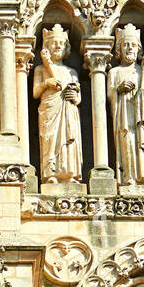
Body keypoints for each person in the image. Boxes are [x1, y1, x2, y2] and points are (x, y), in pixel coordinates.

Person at [107, 23, 144, 187]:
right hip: (124, 115)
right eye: (125, 45)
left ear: (139, 49)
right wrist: (119, 89)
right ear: (119, 49)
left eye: (133, 45)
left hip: (143, 118)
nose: (130, 48)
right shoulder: (114, 72)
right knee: (128, 141)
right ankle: (128, 176)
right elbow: (110, 94)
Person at [33, 24, 83, 183]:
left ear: (66, 47)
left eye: (61, 43)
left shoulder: (71, 72)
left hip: (68, 111)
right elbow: (35, 92)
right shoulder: (41, 69)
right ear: (46, 47)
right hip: (50, 110)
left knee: (69, 139)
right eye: (53, 43)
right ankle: (51, 174)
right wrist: (46, 83)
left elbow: (78, 97)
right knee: (51, 138)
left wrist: (74, 96)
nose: (57, 46)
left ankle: (69, 174)